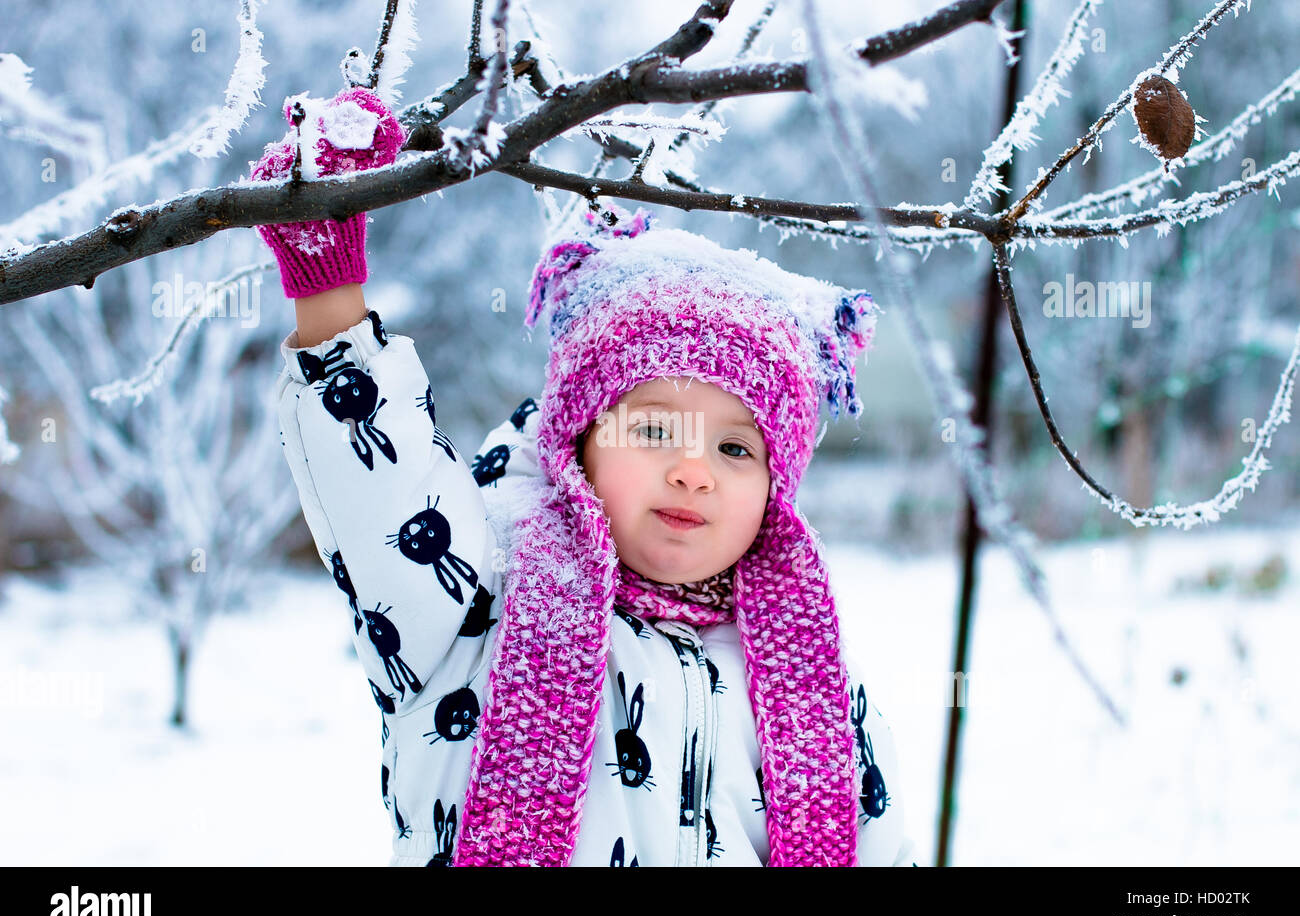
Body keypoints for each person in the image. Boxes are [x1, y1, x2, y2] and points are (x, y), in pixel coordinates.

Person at [253, 84, 917, 867]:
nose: (693, 471)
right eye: (656, 429)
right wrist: (327, 284)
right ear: (579, 442)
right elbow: (380, 497)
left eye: (737, 450)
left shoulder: (808, 675)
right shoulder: (478, 593)